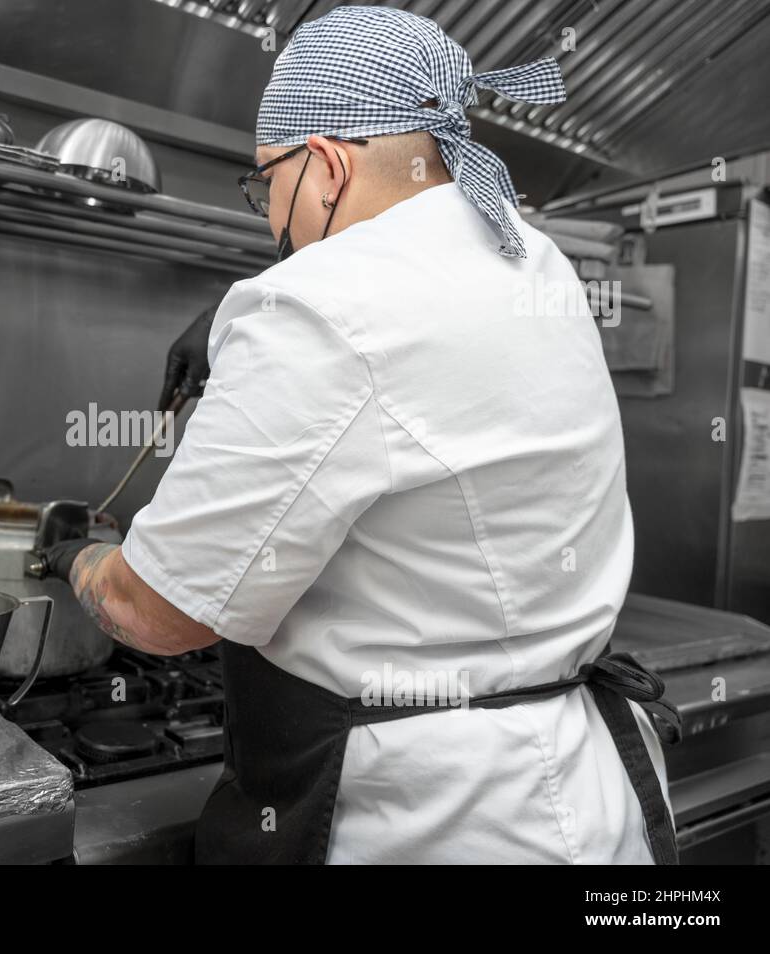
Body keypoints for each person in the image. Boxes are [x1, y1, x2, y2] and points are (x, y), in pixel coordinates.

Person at [43, 5, 678, 864]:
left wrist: (83, 556)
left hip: (427, 823)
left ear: (330, 165)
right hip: (583, 796)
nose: (270, 222)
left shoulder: (323, 306)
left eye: (266, 182)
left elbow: (159, 613)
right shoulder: (535, 260)